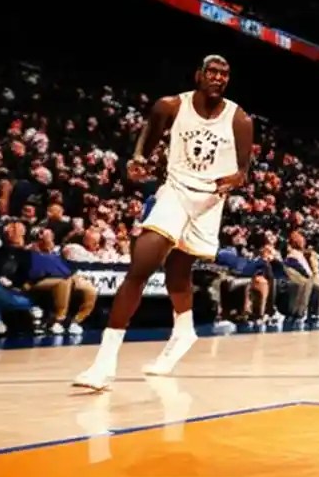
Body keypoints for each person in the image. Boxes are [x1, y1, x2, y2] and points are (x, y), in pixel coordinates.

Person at [73, 55, 253, 390]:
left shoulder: (239, 118)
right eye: (212, 72)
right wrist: (139, 159)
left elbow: (243, 170)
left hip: (210, 201)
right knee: (142, 264)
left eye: (224, 74)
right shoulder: (170, 106)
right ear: (198, 74)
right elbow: (149, 136)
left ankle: (184, 330)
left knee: (177, 274)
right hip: (176, 191)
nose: (218, 78)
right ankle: (104, 364)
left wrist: (233, 181)